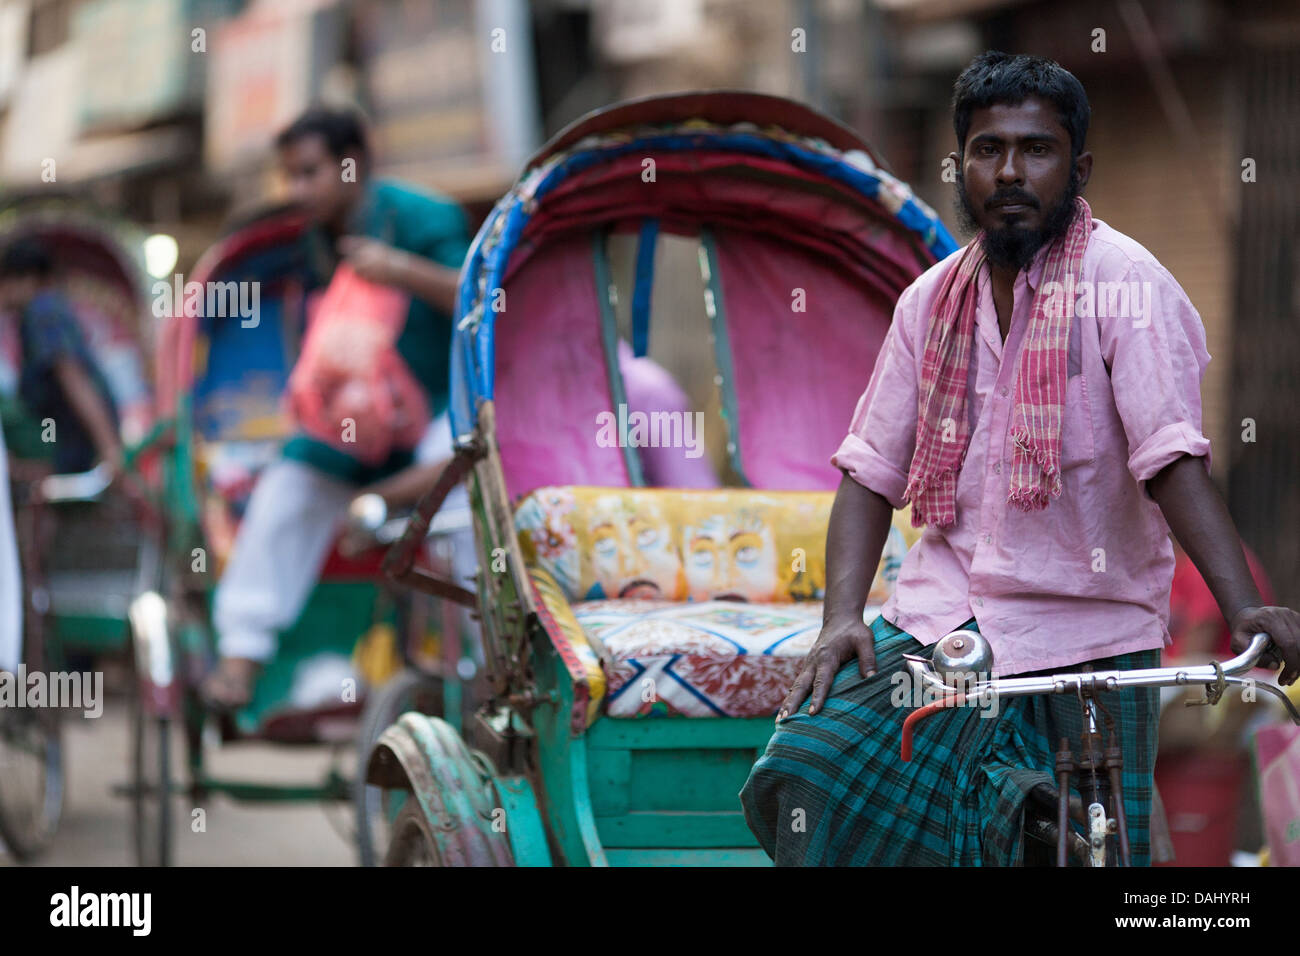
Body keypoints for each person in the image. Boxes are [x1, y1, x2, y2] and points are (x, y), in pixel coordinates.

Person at [740, 51, 1300, 866]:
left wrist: (1245, 607)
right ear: (960, 163)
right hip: (937, 624)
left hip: (1088, 636)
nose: (1010, 171)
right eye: (988, 149)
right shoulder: (927, 301)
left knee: (1079, 849)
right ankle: (990, 813)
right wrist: (839, 620)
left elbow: (1172, 461)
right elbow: (868, 473)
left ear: (1077, 167)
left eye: (1036, 150)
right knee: (804, 769)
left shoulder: (1126, 285)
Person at [203, 107, 471, 709]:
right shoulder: (313, 239)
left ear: (354, 162)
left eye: (310, 173)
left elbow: (479, 297)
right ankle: (240, 659)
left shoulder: (423, 216)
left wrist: (397, 269)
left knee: (467, 486)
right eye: (291, 176)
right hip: (353, 432)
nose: (299, 190)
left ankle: (487, 665)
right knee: (286, 486)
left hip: (428, 416)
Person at [0, 239, 122, 477]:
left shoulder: (44, 311)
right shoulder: (39, 313)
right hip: (62, 437)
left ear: (27, 280)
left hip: (67, 443)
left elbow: (72, 375)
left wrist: (110, 449)